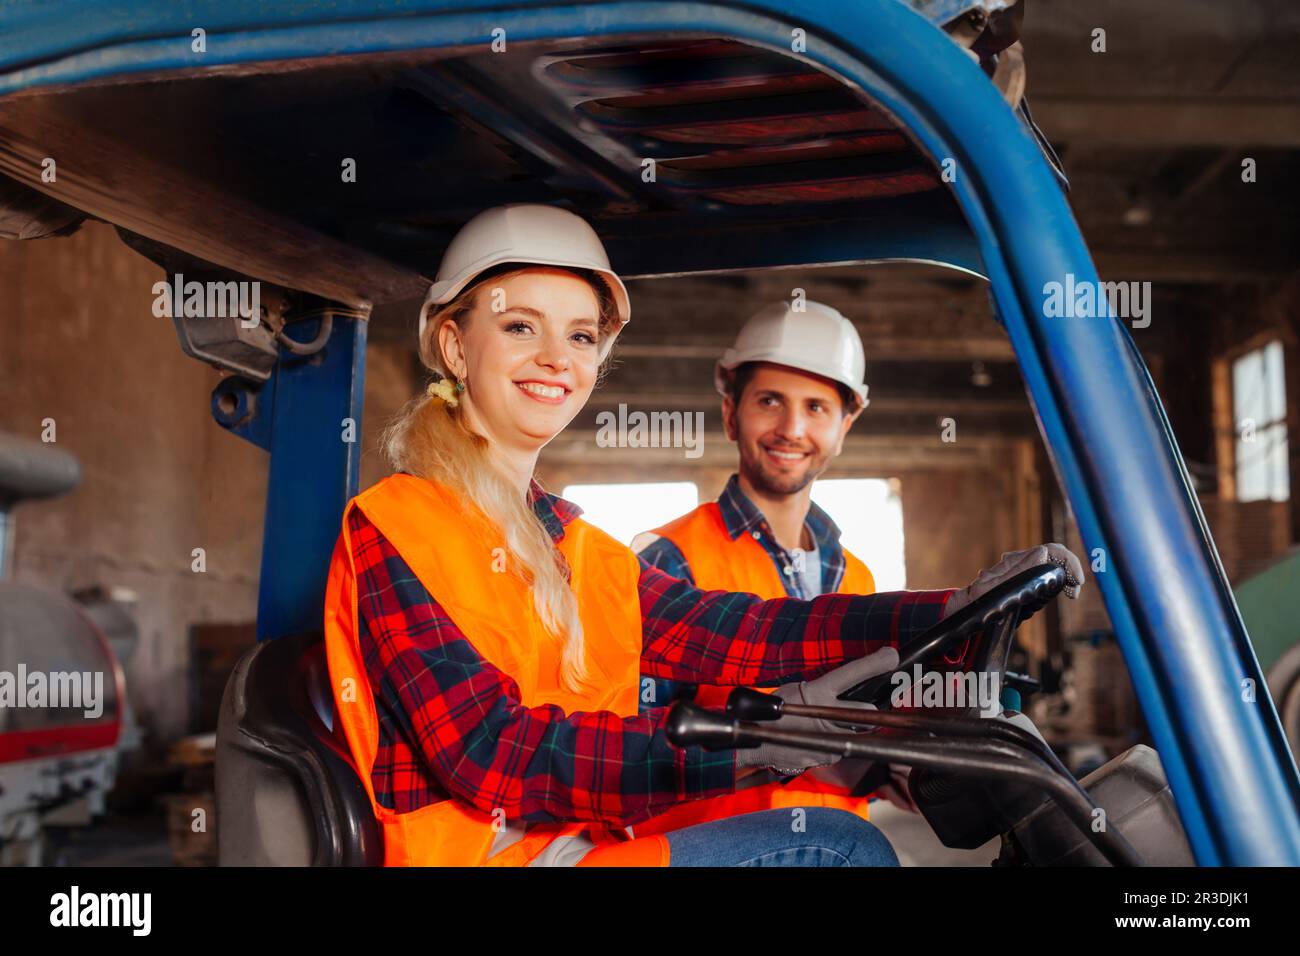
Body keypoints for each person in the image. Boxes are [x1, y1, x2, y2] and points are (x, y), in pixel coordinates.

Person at [322, 203, 1083, 867]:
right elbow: (494, 752)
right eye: (520, 326)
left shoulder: (568, 546)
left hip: (574, 843)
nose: (557, 357)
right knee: (838, 850)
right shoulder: (399, 527)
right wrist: (746, 745)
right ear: (455, 347)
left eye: (581, 336)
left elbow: (737, 633)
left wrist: (947, 611)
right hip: (497, 859)